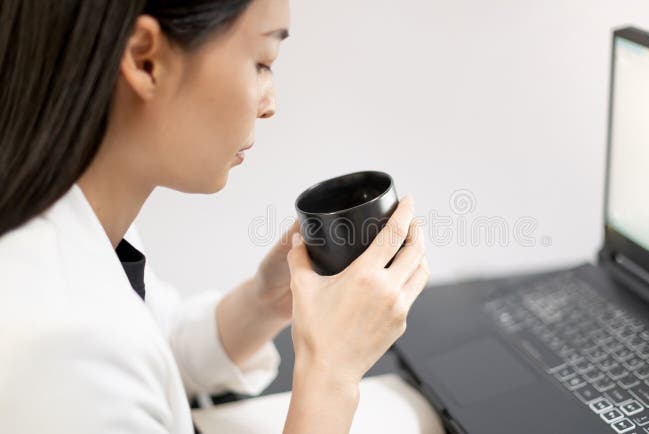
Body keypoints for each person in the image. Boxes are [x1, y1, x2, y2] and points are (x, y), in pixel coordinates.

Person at [0, 1, 430, 433]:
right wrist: (331, 374)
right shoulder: (60, 346)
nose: (270, 105)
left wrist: (266, 300)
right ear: (145, 59)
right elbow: (103, 370)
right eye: (263, 62)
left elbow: (150, 353)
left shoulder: (74, 221)